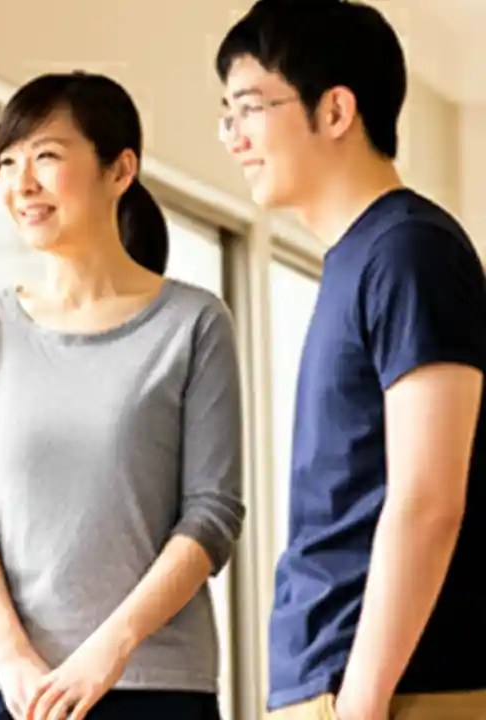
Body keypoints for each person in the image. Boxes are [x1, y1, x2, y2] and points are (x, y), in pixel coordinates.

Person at [0, 72, 245, 720]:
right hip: (3, 689)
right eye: (7, 163)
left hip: (153, 684)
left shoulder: (194, 324)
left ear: (120, 168)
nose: (22, 184)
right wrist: (11, 655)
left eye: (46, 157)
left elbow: (211, 514)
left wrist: (111, 650)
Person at [216, 2, 486, 718]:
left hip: (392, 689)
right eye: (226, 115)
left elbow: (428, 498)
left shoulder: (410, 251)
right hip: (330, 682)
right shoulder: (354, 260)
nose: (234, 138)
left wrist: (361, 702)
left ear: (336, 110)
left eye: (249, 108)